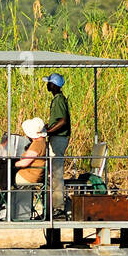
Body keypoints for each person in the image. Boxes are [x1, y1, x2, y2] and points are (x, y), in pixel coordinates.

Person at [0, 117, 48, 220]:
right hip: (31, 175)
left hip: (27, 177)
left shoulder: (37, 144)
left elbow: (25, 162)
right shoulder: (42, 143)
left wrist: (14, 163)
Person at [43, 72, 71, 217]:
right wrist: (48, 127)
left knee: (57, 172)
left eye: (48, 83)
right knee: (53, 172)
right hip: (57, 137)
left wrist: (48, 132)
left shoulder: (59, 100)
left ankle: (58, 207)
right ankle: (54, 205)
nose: (47, 85)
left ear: (53, 85)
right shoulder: (57, 99)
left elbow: (63, 121)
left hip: (59, 139)